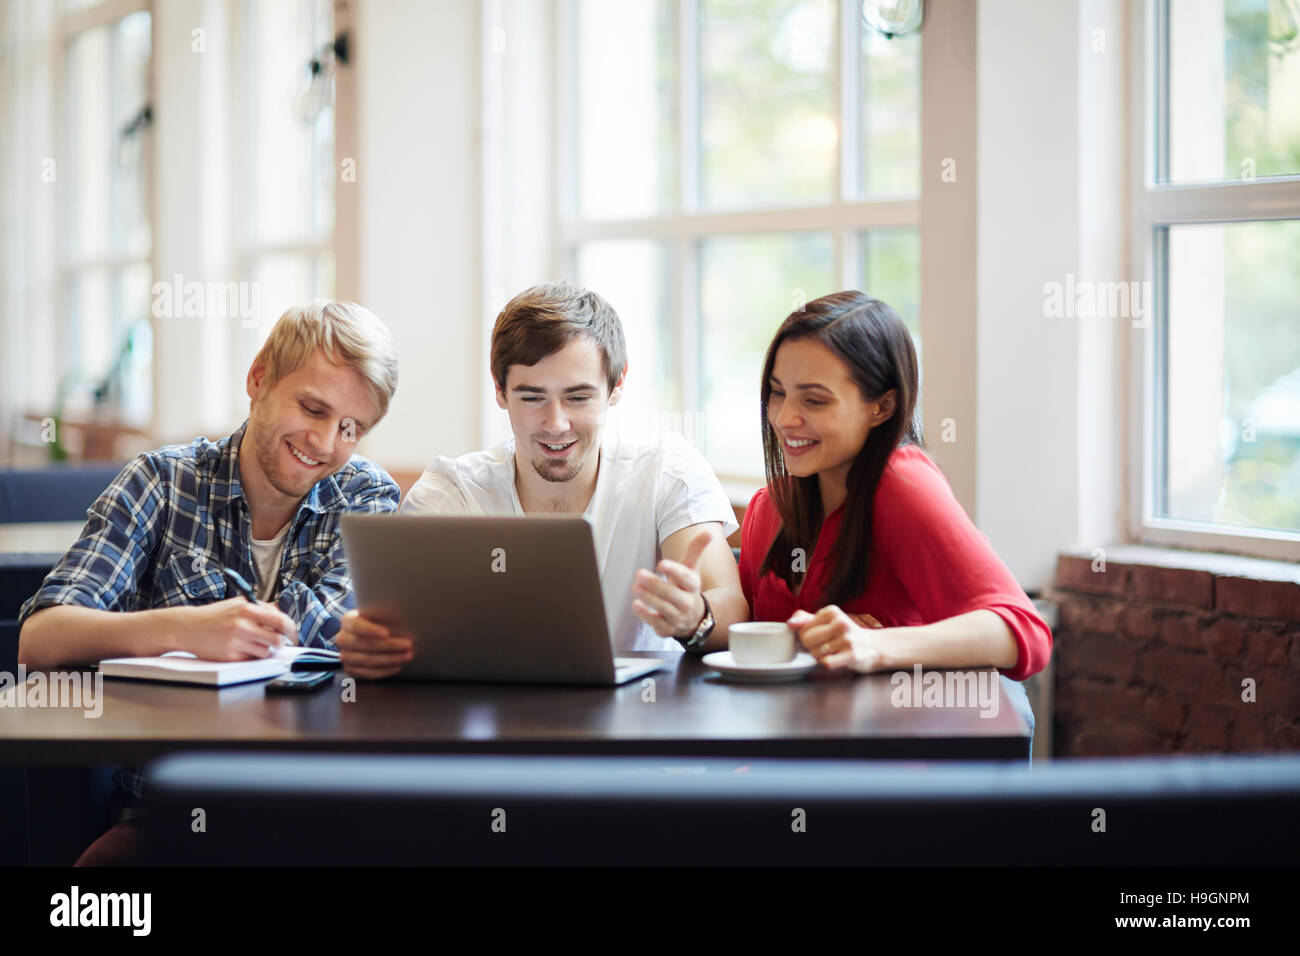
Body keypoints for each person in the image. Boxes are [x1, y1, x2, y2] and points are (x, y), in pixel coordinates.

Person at [17, 299, 402, 863]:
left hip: (315, 810)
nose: (324, 443)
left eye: (350, 428)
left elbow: (334, 631)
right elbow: (39, 639)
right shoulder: (161, 482)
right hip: (168, 812)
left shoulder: (366, 497)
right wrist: (182, 629)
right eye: (312, 408)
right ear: (258, 378)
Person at [337, 281, 746, 679]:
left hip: (634, 724)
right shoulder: (451, 491)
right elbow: (406, 631)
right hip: (486, 721)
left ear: (616, 386)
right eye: (532, 398)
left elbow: (731, 607)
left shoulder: (665, 469)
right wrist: (373, 642)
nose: (556, 423)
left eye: (578, 397)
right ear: (500, 391)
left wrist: (696, 618)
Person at [739, 291, 1050, 727]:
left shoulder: (901, 483)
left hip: (885, 767)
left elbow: (1024, 632)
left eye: (814, 400)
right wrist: (694, 617)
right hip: (785, 754)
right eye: (777, 393)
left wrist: (877, 647)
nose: (785, 417)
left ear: (881, 407)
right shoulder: (770, 507)